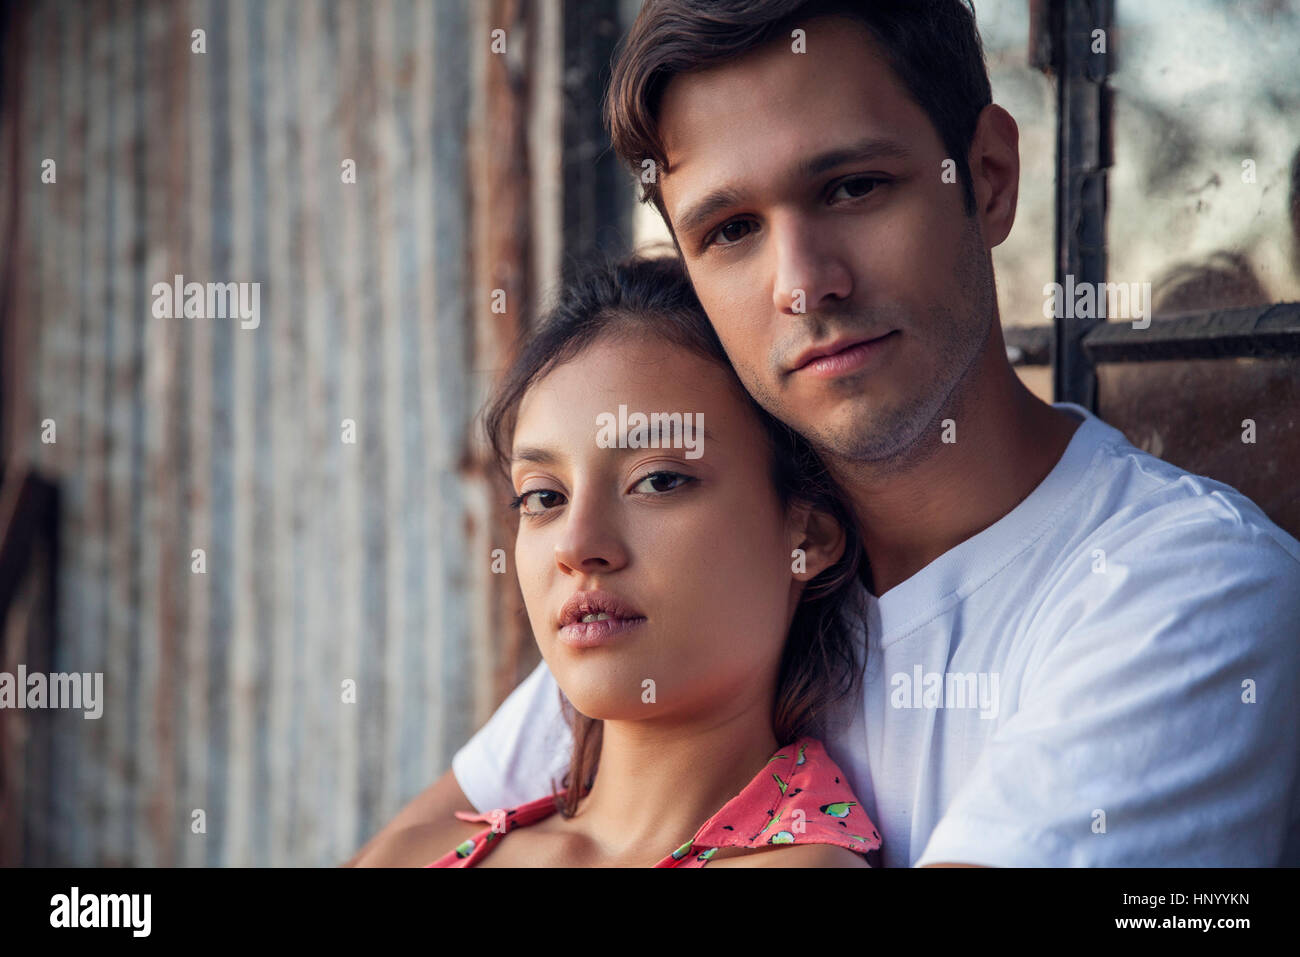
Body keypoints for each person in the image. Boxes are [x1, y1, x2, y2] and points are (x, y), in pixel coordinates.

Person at [351, 0, 1300, 867]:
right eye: (730, 230)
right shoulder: (708, 571)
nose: (803, 284)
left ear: (991, 178)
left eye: (853, 187)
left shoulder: (1182, 591)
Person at [357, 254, 881, 867]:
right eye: (543, 497)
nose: (576, 547)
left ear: (810, 536)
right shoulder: (418, 850)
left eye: (658, 481)